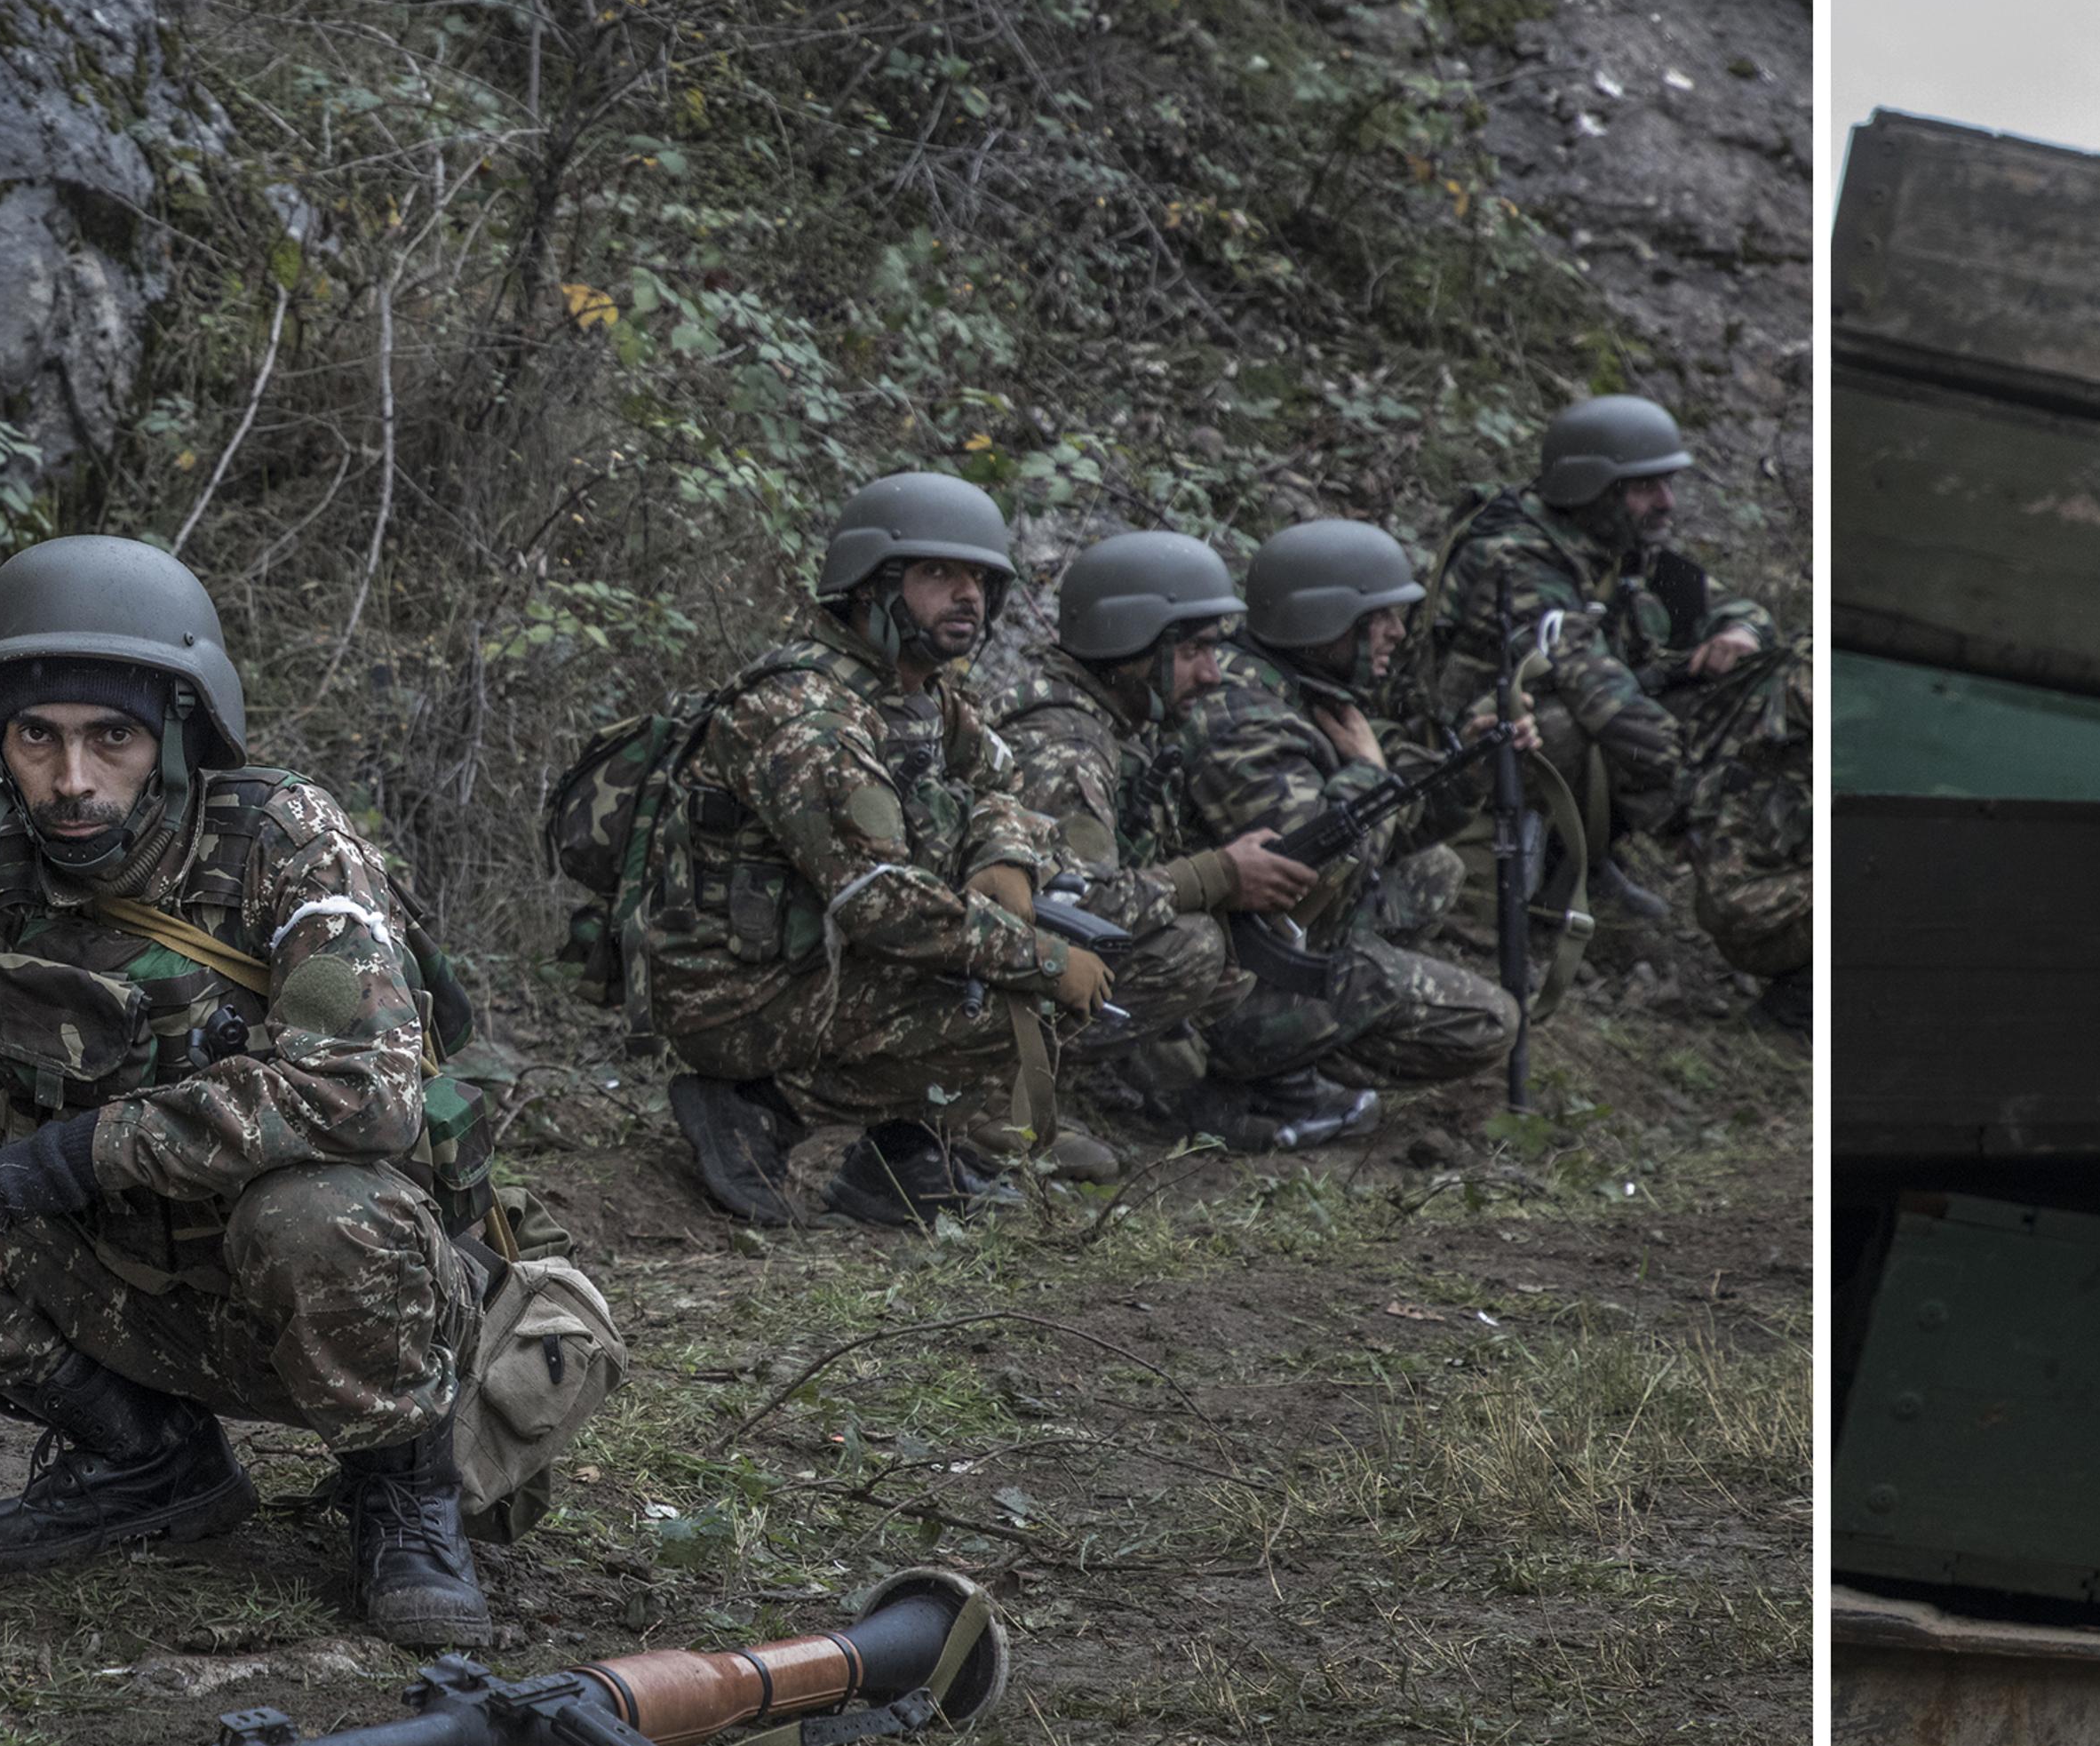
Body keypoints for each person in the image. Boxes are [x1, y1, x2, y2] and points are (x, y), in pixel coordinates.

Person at [0, 535, 496, 1646]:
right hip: (116, 1290)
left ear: (176, 736)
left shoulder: (288, 843)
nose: (72, 781)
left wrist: (99, 1147)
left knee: (322, 1210)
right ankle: (144, 1453)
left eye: (110, 739)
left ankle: (403, 1488)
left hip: (338, 1297)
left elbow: (367, 1093)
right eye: (38, 738)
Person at [550, 471, 1099, 1228]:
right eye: (938, 573)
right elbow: (881, 903)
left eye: (978, 577)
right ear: (871, 584)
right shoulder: (806, 714)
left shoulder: (920, 697)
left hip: (817, 965)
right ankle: (755, 1103)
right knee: (1026, 995)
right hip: (734, 994)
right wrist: (1038, 957)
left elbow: (999, 778)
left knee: (1034, 963)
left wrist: (1000, 851)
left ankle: (901, 1154)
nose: (966, 594)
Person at [1413, 394, 1794, 1020]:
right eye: (1646, 487)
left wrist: (1739, 635)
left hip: (1555, 723)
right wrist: (1700, 789)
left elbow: (1718, 603)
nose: (1667, 502)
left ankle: (1583, 862)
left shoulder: (1614, 543)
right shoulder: (1517, 555)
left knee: (1743, 685)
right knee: (1595, 732)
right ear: (1591, 486)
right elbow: (1598, 692)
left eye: (1667, 483)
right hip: (1469, 753)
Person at [1157, 518, 1521, 1134]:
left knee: (1435, 873)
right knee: (1492, 1021)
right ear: (1325, 620)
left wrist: (1473, 767)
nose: (1397, 634)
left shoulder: (1295, 687)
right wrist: (1370, 770)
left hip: (1257, 942)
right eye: (1380, 617)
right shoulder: (1245, 719)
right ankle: (1255, 1072)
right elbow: (1312, 868)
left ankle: (1291, 1053)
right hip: (1215, 993)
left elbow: (1392, 832)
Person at [987, 527, 1320, 1158]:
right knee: (1190, 945)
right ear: (1130, 645)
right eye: (1194, 649)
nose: (1212, 672)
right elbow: (1076, 911)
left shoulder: (1112, 721)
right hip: (976, 977)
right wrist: (1217, 875)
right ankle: (999, 1101)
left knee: (1222, 937)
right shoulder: (1066, 745)